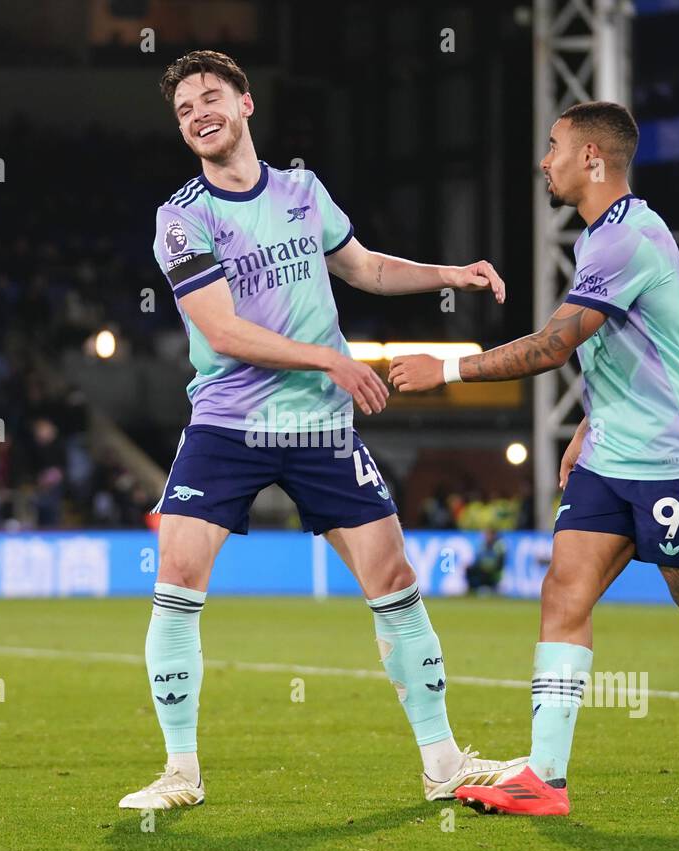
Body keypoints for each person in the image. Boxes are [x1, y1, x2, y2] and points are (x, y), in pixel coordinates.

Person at [391, 102, 679, 815]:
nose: (544, 160)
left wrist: (447, 371)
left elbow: (552, 345)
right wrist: (591, 421)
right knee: (563, 590)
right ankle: (545, 779)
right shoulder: (604, 238)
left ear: (592, 157)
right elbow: (638, 345)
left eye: (554, 146)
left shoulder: (628, 239)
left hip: (673, 461)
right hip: (614, 457)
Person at [121, 50, 521, 810]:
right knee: (175, 575)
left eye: (210, 97)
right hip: (230, 420)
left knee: (393, 578)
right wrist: (329, 361)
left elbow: (364, 269)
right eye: (183, 110)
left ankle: (444, 765)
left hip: (318, 427)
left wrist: (449, 274)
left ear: (244, 104)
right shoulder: (181, 218)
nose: (197, 114)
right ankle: (181, 772)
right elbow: (222, 330)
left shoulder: (302, 191)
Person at [465, 528, 508, 594]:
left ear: (493, 535)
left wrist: (487, 566)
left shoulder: (499, 545)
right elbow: (478, 560)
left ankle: (493, 586)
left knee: (485, 571)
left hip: (494, 572)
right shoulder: (483, 545)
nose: (486, 537)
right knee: (469, 569)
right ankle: (472, 589)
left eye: (488, 535)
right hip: (483, 569)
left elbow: (500, 563)